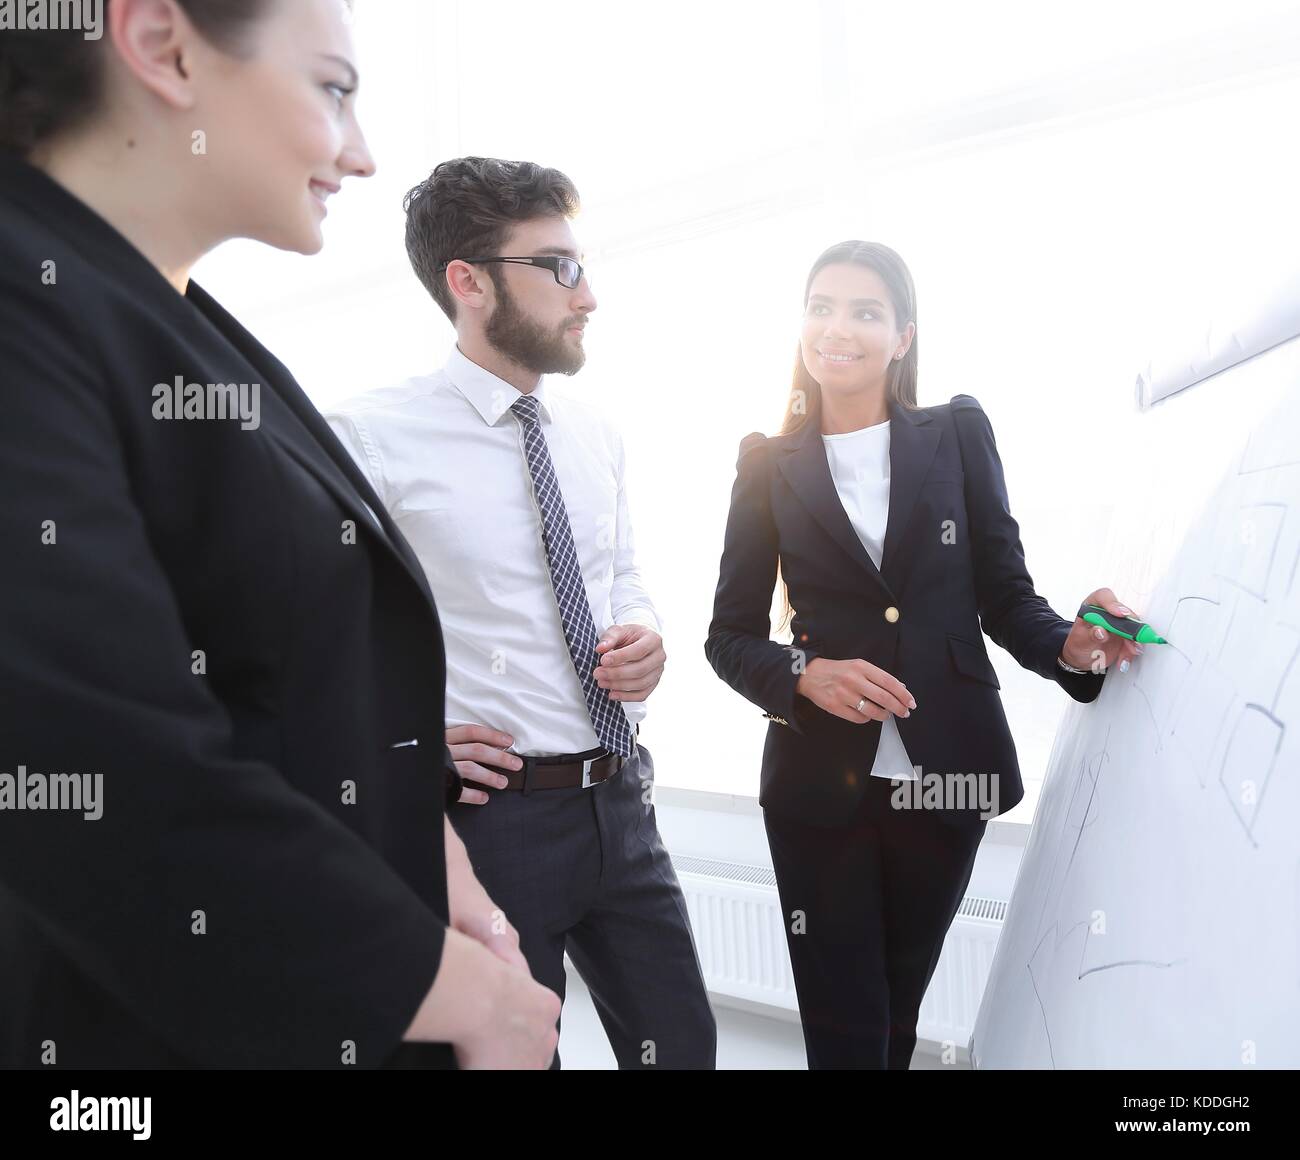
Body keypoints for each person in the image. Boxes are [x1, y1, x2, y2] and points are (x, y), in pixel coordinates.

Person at [0, 0, 557, 1069]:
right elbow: (102, 777)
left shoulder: (182, 320)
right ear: (162, 46)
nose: (360, 150)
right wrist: (470, 1002)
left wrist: (442, 867)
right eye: (333, 89)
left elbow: (289, 683)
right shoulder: (27, 298)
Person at [704, 239, 1144, 1069]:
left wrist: (1073, 647)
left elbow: (1007, 599)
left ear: (903, 335)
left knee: (896, 1022)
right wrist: (805, 676)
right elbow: (727, 639)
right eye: (821, 306)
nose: (839, 327)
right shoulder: (766, 464)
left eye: (866, 311)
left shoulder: (957, 432)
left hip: (947, 782)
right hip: (816, 792)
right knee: (847, 1035)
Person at [326, 156, 717, 1070]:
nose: (588, 297)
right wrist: (406, 740)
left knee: (684, 1052)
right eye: (559, 267)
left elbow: (621, 575)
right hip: (492, 824)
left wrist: (644, 632)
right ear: (468, 281)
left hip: (623, 804)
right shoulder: (367, 440)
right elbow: (314, 638)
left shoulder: (595, 434)